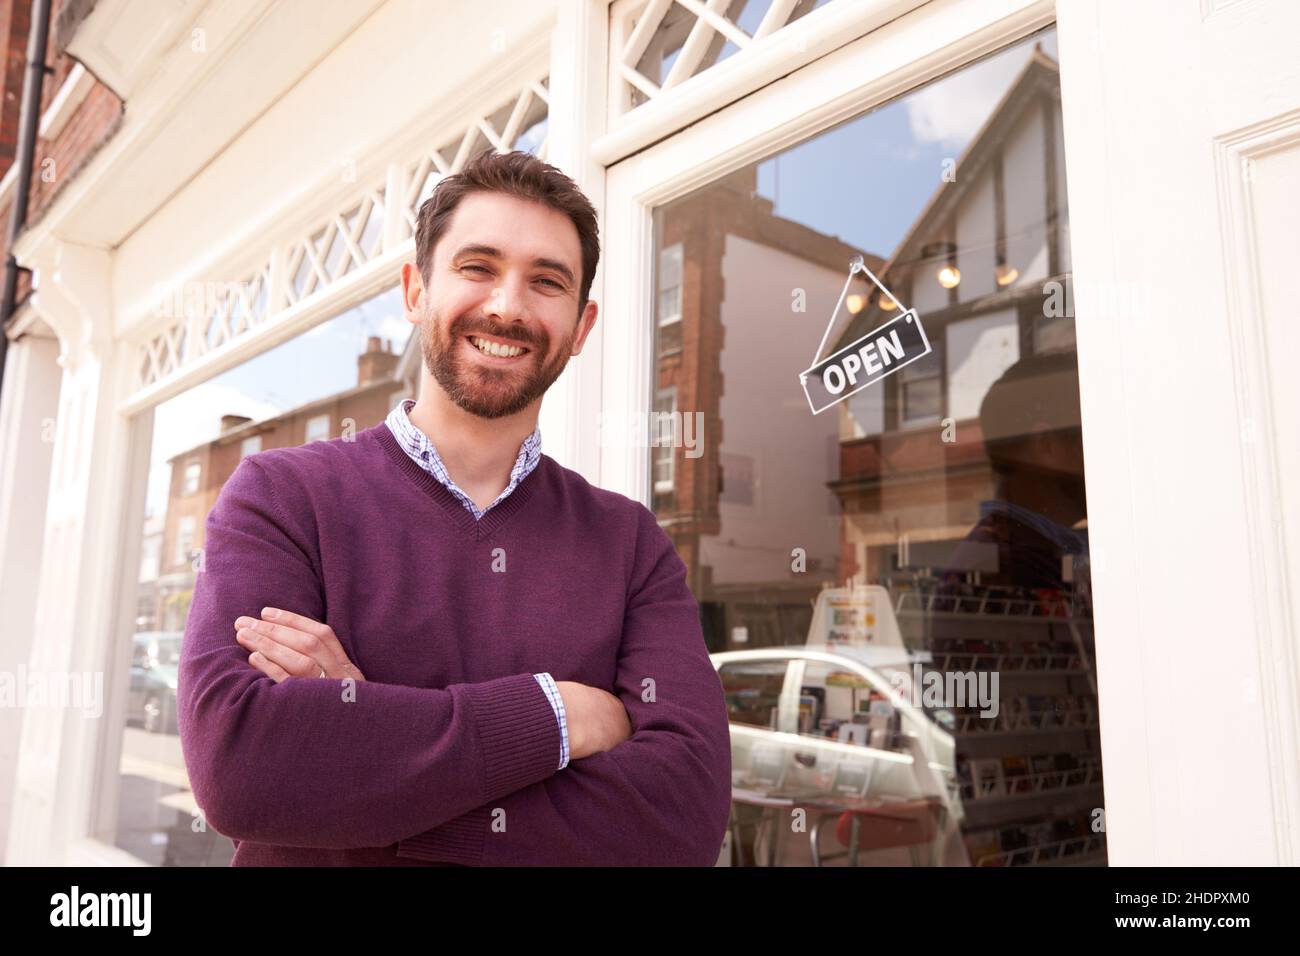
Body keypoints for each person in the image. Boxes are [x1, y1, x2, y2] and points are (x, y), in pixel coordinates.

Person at [177, 150, 733, 866]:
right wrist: (558, 715)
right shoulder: (282, 498)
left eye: (546, 281)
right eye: (478, 267)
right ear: (416, 291)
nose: (507, 306)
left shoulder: (629, 543)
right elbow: (242, 768)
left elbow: (680, 820)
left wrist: (363, 768)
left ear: (582, 326)